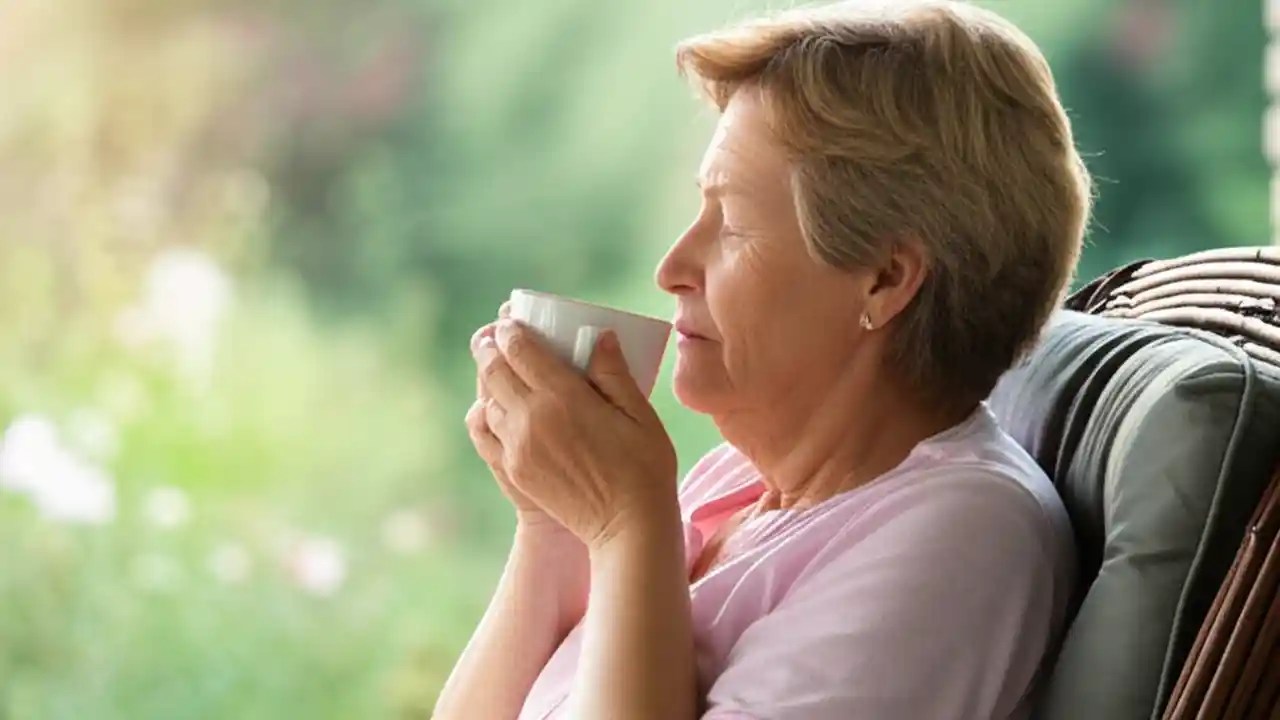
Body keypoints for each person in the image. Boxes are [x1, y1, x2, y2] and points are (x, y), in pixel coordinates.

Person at [435, 1, 1090, 717]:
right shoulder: (735, 488)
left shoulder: (966, 538)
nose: (673, 267)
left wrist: (626, 523)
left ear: (883, 278)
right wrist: (553, 522)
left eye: (733, 225)